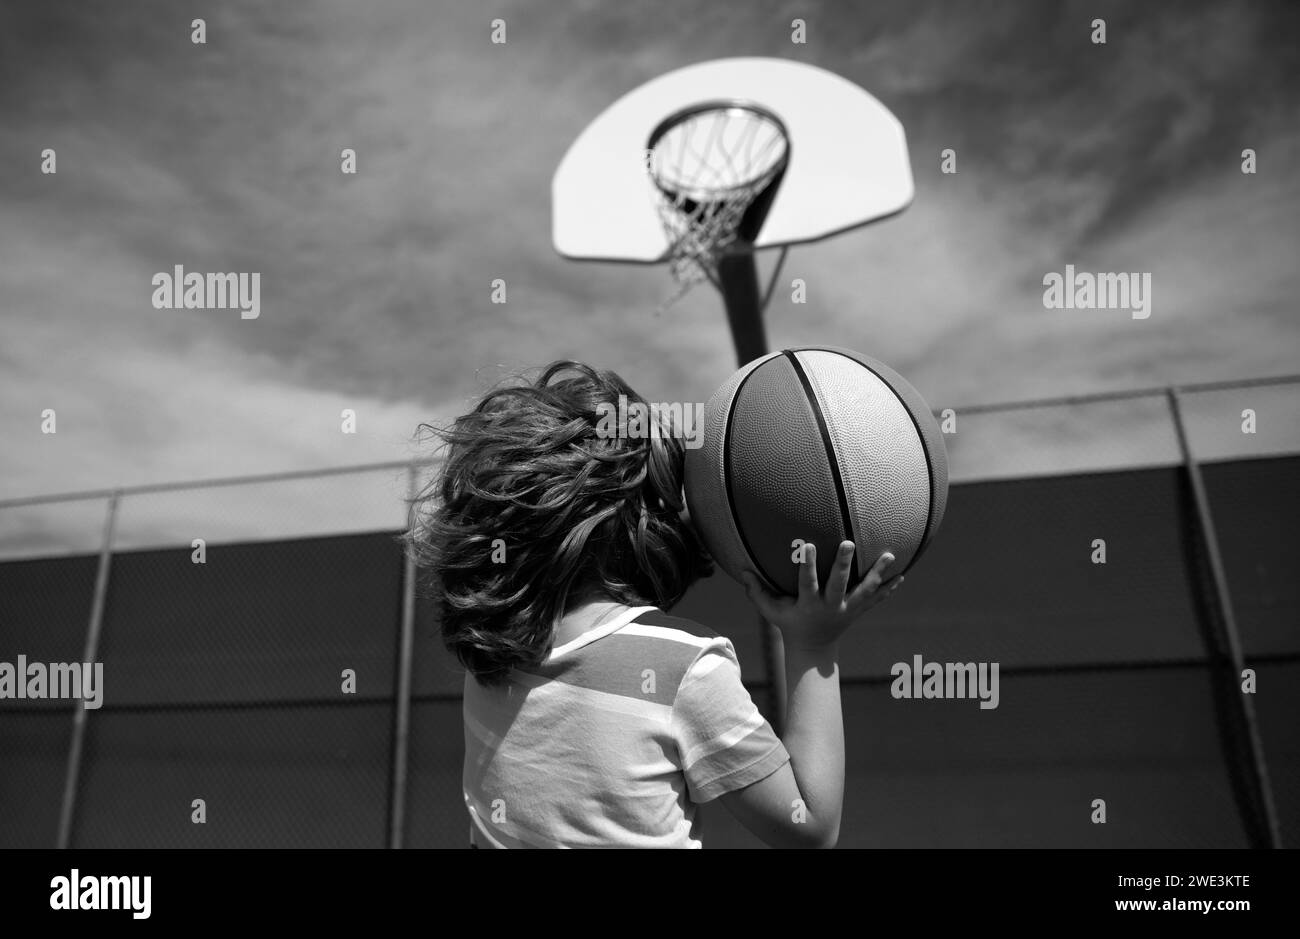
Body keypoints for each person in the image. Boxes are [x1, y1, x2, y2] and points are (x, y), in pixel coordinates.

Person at [406, 361, 901, 848]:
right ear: (635, 518)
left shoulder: (491, 656)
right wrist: (813, 646)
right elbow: (809, 825)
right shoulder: (681, 667)